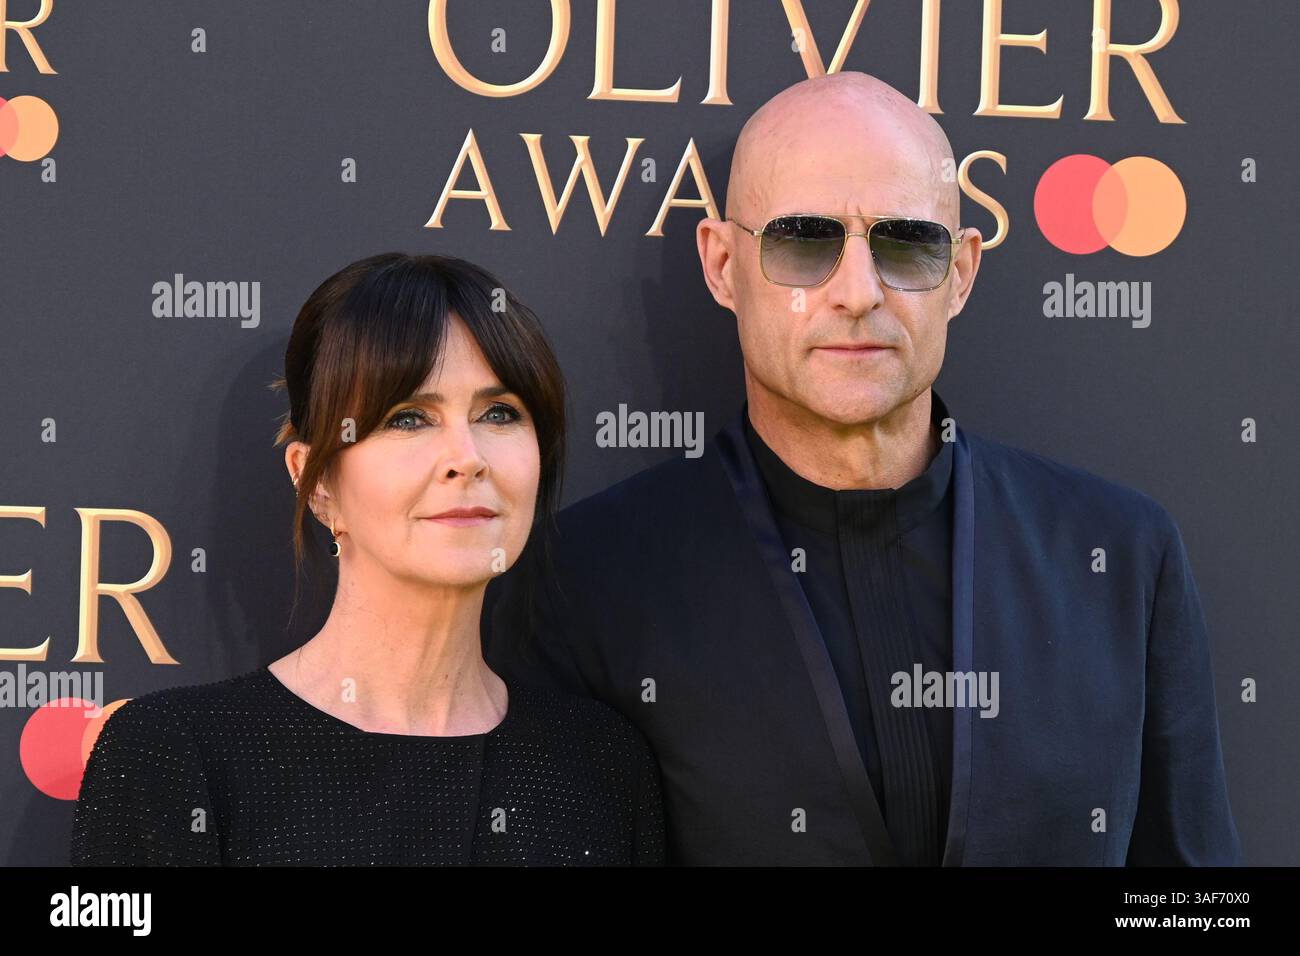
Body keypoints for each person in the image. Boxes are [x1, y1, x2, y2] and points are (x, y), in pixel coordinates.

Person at [483, 72, 1241, 866]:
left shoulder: (1118, 556)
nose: (856, 292)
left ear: (961, 274)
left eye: (906, 243)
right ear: (720, 265)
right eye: (803, 241)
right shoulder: (589, 579)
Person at [70, 253, 665, 866]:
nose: (467, 457)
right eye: (408, 418)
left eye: (499, 413)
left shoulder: (602, 768)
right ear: (317, 480)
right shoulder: (173, 759)